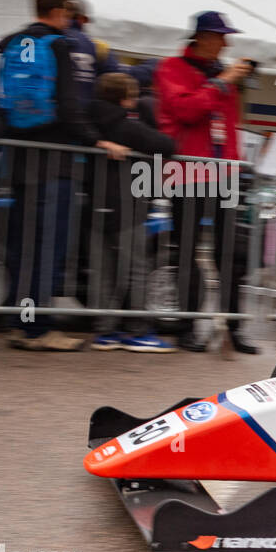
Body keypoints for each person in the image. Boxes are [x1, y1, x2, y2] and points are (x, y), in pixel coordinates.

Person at [0, 0, 128, 351]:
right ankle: (39, 330)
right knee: (48, 247)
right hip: (57, 164)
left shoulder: (13, 43)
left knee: (25, 248)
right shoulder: (59, 46)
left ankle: (21, 323)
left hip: (22, 161)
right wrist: (97, 140)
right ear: (58, 12)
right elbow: (70, 106)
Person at [154, 10, 257, 353]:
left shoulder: (222, 76)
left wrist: (235, 166)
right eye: (219, 36)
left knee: (231, 253)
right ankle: (187, 326)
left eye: (226, 36)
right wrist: (221, 82)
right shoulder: (172, 68)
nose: (225, 42)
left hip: (223, 174)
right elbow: (185, 110)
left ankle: (233, 326)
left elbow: (228, 128)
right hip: (186, 173)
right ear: (200, 37)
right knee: (186, 253)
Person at [88, 72, 177, 352]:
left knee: (102, 270)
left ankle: (104, 331)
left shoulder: (88, 120)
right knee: (136, 268)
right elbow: (167, 146)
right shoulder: (126, 126)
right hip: (126, 204)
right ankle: (138, 330)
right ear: (125, 98)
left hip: (95, 203)